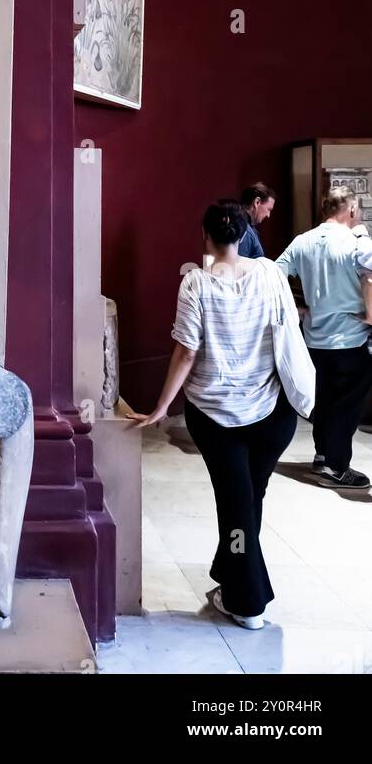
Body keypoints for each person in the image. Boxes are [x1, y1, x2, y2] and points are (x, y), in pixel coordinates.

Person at [128, 200, 302, 630]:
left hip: (217, 414)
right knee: (248, 497)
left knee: (237, 504)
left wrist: (162, 406)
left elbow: (187, 351)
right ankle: (229, 576)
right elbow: (288, 327)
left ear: (205, 236)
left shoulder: (197, 284)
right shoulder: (271, 274)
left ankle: (246, 603)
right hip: (272, 411)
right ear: (244, 234)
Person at [275, 186, 372, 491]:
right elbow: (370, 274)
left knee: (325, 398)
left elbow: (275, 272)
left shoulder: (302, 241)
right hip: (349, 338)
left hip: (315, 337)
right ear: (352, 210)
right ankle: (337, 467)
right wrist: (371, 315)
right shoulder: (355, 241)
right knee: (347, 405)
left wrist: (296, 307)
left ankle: (322, 454)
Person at [237, 182, 276, 258]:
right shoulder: (245, 230)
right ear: (257, 202)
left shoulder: (242, 227)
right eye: (268, 209)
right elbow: (240, 266)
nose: (268, 215)